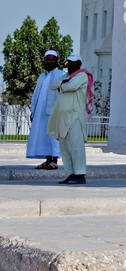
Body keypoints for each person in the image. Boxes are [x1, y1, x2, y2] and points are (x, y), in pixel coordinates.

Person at [46, 54, 93, 184]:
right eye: (69, 62)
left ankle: (80, 174)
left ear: (79, 64)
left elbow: (70, 87)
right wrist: (63, 83)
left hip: (75, 116)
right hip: (63, 117)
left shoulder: (82, 76)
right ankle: (70, 173)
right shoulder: (66, 77)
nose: (70, 65)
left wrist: (62, 85)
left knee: (76, 145)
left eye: (73, 63)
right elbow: (53, 85)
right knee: (64, 146)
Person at [27, 50, 65, 170]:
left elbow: (64, 93)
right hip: (40, 112)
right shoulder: (41, 77)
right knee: (43, 135)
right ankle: (47, 160)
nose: (49, 61)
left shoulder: (60, 74)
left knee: (53, 136)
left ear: (56, 61)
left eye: (52, 59)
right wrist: (33, 111)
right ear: (44, 61)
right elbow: (35, 95)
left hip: (54, 111)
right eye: (47, 59)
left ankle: (54, 160)